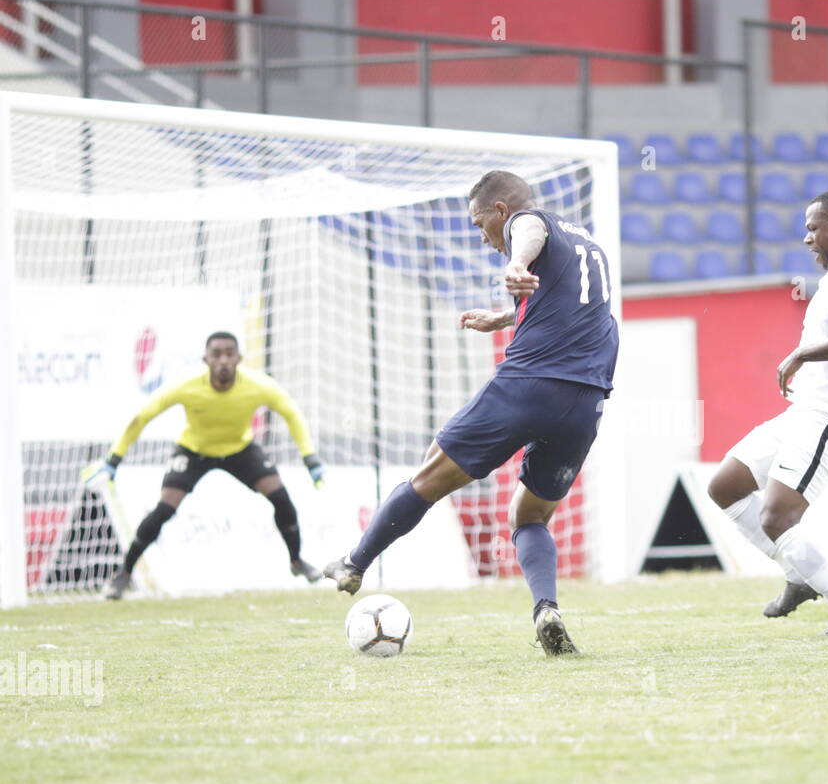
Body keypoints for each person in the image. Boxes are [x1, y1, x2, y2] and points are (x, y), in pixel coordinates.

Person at [323, 170, 618, 657]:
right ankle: (546, 607)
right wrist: (505, 315)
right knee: (530, 517)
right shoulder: (588, 244)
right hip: (585, 402)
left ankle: (354, 562)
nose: (482, 237)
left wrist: (516, 262)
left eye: (481, 224)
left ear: (501, 210)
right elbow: (571, 302)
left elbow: (528, 230)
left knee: (430, 474)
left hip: (528, 385)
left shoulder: (528, 224)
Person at [707, 188, 828, 636]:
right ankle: (798, 575)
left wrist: (803, 353)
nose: (807, 239)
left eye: (813, 229)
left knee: (777, 516)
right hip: (805, 411)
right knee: (724, 486)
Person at [84, 331, 326, 599]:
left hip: (240, 449)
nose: (223, 360)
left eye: (229, 354)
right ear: (206, 359)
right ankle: (124, 574)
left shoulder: (260, 385)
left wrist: (310, 458)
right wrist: (113, 461)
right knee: (164, 508)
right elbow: (142, 417)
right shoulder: (187, 385)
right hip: (194, 451)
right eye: (216, 354)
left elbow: (292, 414)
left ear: (239, 358)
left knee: (281, 498)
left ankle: (297, 562)